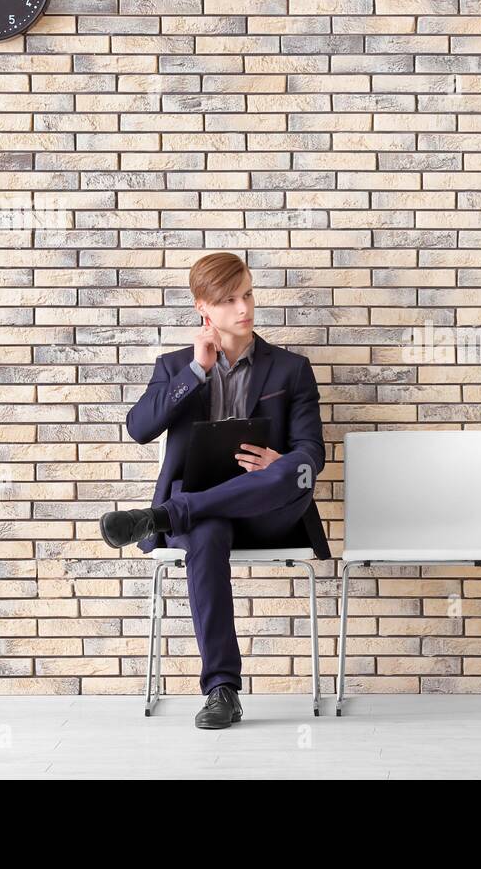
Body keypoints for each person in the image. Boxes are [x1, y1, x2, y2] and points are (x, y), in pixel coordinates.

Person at [98, 252, 329, 729]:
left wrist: (282, 461)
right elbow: (138, 428)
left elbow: (313, 454)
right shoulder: (175, 367)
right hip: (208, 518)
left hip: (270, 508)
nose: (243, 308)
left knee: (292, 472)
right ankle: (221, 690)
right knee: (204, 530)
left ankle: (165, 514)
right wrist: (196, 373)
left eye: (247, 294)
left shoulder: (291, 369)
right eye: (228, 300)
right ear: (203, 307)